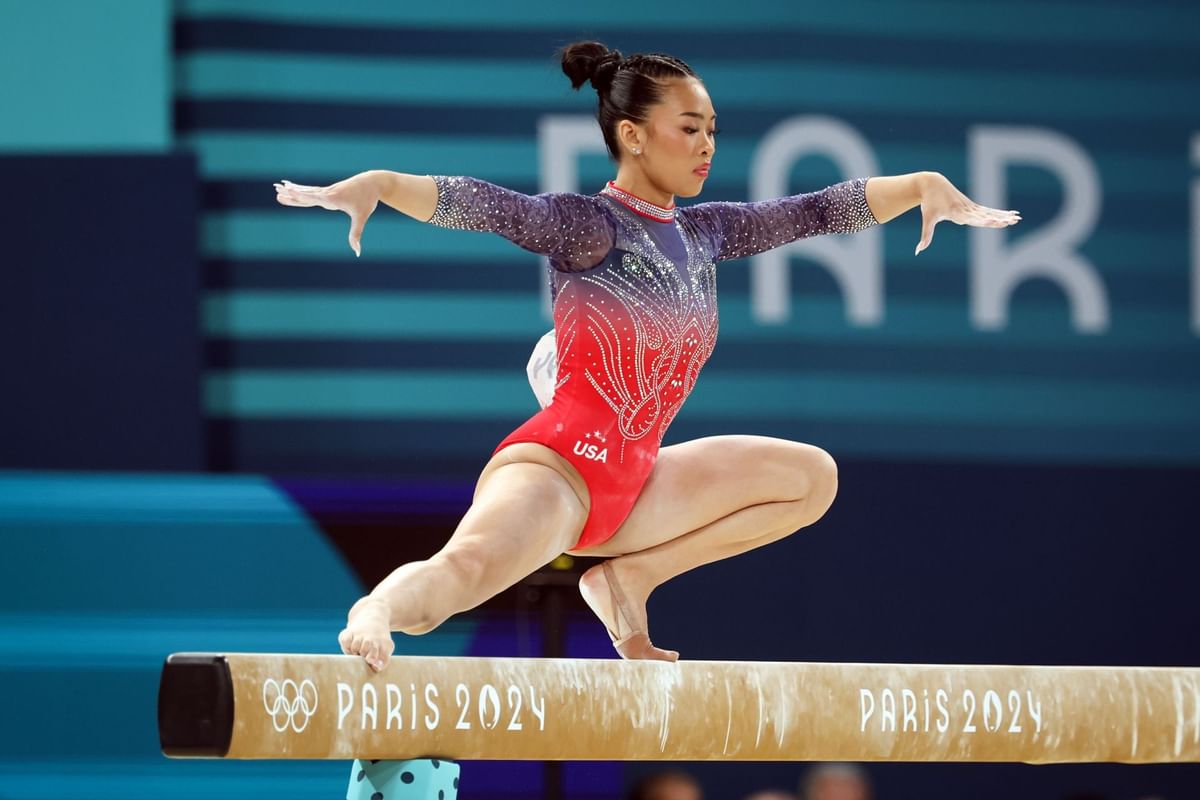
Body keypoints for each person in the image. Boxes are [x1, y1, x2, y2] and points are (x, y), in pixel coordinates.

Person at [274, 41, 1020, 669]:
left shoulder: (707, 233)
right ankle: (373, 610)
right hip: (559, 470)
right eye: (689, 128)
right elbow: (490, 204)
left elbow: (815, 210)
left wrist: (920, 186)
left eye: (713, 130)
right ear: (633, 135)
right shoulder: (587, 227)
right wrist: (382, 185)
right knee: (461, 577)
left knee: (809, 480)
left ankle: (628, 582)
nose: (707, 145)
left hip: (636, 484)